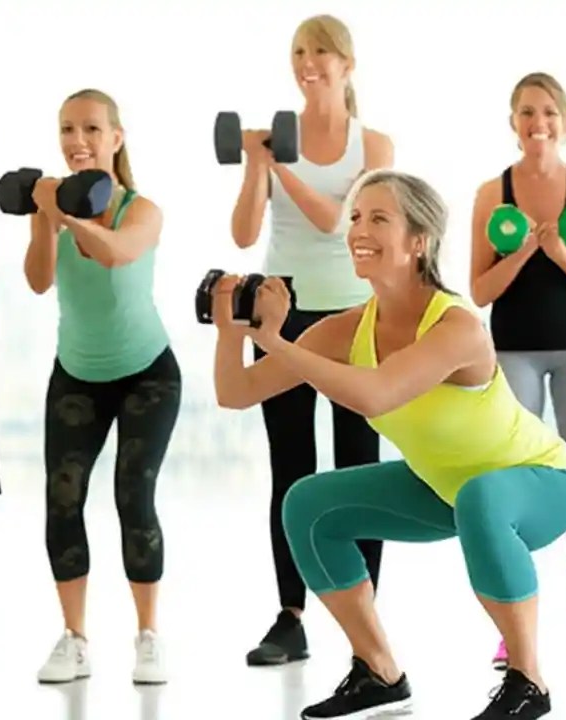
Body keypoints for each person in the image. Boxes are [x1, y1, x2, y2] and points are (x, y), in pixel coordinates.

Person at [214, 170, 566, 720]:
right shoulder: (347, 330)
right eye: (357, 217)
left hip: (541, 483)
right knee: (309, 505)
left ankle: (529, 680)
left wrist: (274, 340)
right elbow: (236, 392)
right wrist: (231, 329)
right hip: (445, 488)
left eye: (379, 218)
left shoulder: (457, 326)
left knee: (482, 497)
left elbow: (376, 394)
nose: (359, 228)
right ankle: (378, 670)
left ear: (419, 242)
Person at [228, 13, 395, 667]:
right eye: (299, 52)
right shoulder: (274, 141)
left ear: (346, 65)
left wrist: (281, 165)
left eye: (321, 53)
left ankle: (364, 625)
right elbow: (244, 235)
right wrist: (254, 166)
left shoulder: (373, 145)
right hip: (282, 316)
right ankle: (290, 615)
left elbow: (336, 221)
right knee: (291, 472)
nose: (308, 63)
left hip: (356, 320)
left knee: (359, 470)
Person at [21, 89, 180, 686]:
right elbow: (39, 280)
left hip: (147, 372)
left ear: (117, 137)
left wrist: (61, 212)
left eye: (90, 128)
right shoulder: (54, 210)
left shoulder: (142, 209)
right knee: (63, 498)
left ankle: (148, 637)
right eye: (67, 129)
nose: (77, 140)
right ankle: (75, 638)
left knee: (132, 495)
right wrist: (43, 218)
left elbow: (114, 254)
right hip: (78, 373)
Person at [470, 72, 566, 672]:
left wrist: (560, 253)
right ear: (512, 122)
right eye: (528, 112)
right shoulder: (492, 193)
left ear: (565, 121)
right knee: (515, 486)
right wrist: (528, 251)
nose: (539, 123)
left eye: (549, 112)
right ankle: (517, 623)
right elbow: (480, 290)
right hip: (514, 352)